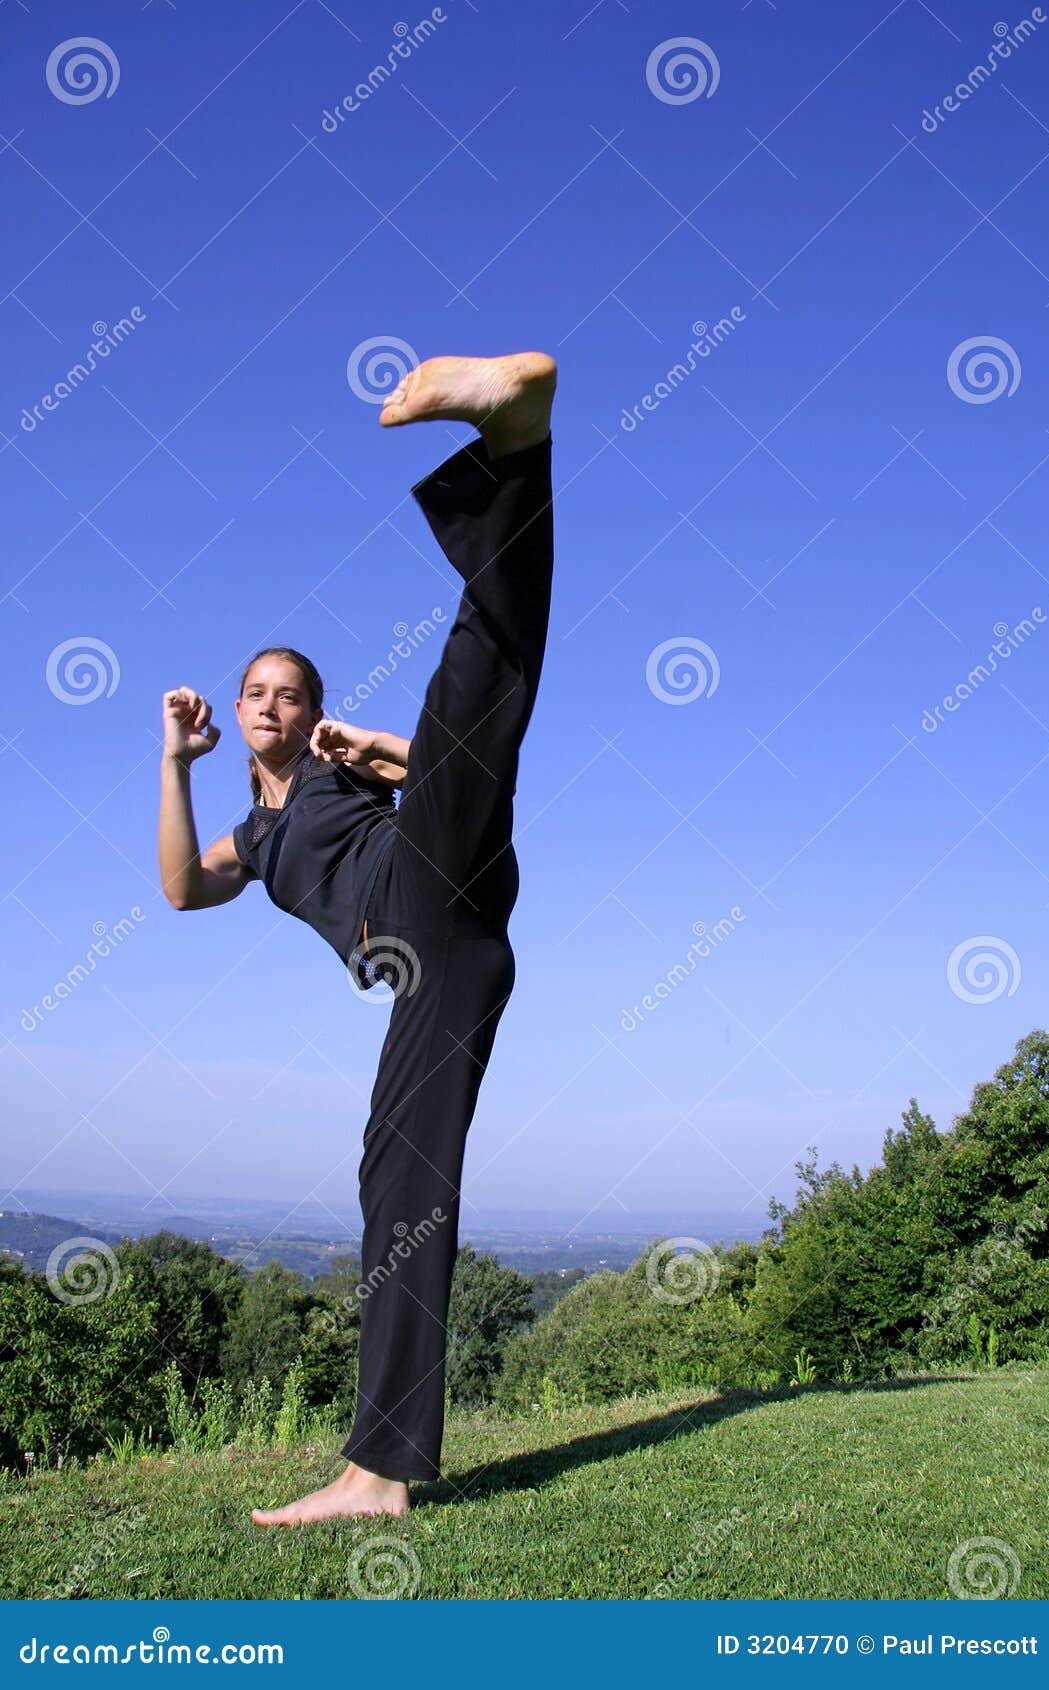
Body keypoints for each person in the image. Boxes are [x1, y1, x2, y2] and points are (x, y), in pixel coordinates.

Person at [157, 351, 557, 1520]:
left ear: (306, 709)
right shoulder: (250, 830)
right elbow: (181, 891)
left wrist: (363, 739)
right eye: (255, 692)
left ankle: (516, 443)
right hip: (436, 966)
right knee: (397, 1184)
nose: (270, 702)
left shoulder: (340, 775)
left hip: (436, 874)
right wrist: (171, 770)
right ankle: (378, 1471)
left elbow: (438, 763)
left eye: (290, 690)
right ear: (236, 718)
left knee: (471, 693)